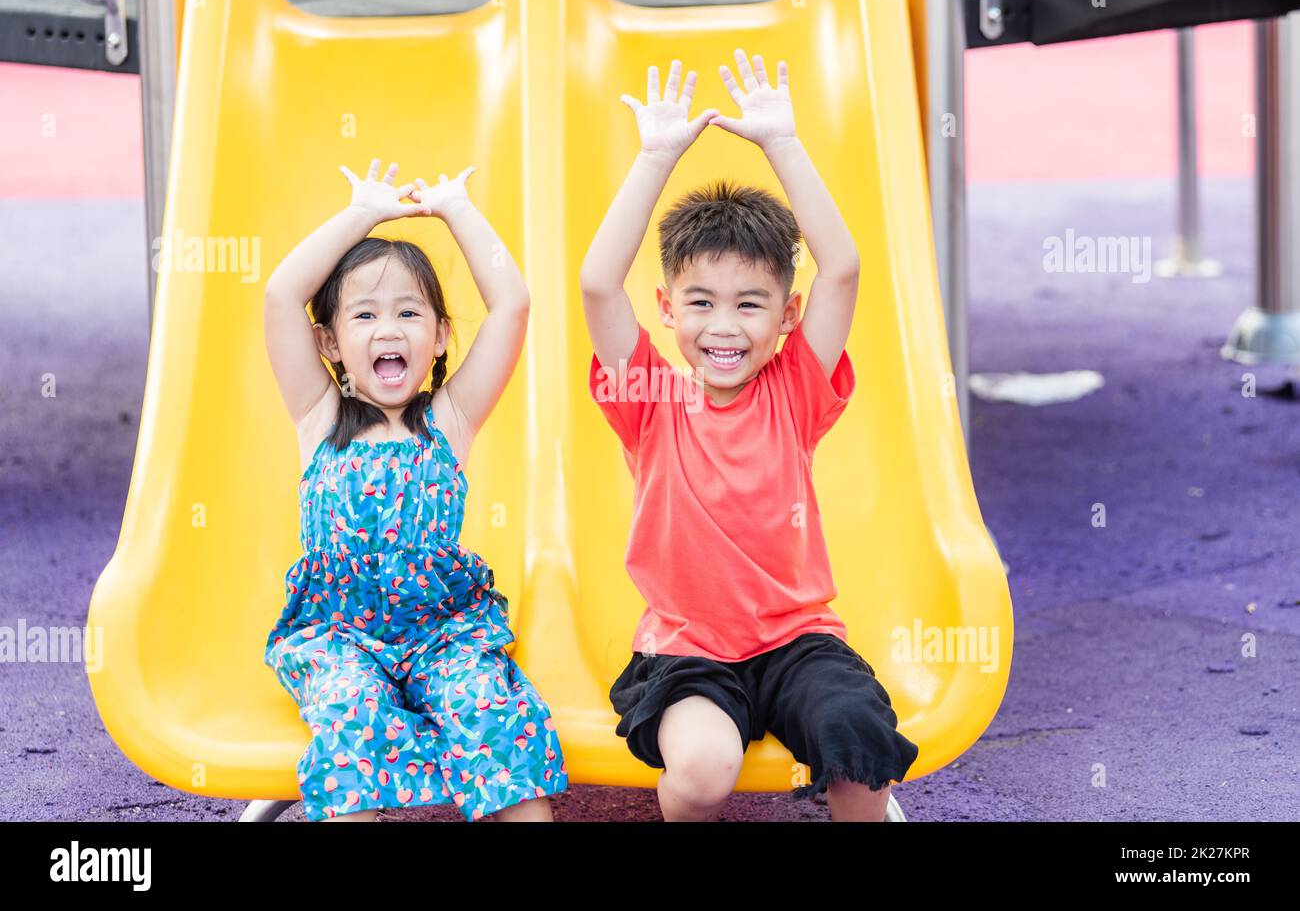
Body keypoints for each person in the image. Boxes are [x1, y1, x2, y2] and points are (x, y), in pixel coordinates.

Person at [582, 50, 919, 821]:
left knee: (856, 739)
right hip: (691, 651)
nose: (724, 327)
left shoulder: (795, 387)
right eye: (701, 302)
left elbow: (843, 266)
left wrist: (782, 143)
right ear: (667, 309)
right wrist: (655, 156)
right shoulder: (648, 395)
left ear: (786, 316)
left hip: (798, 641)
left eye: (749, 304)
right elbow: (599, 282)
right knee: (703, 771)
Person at [262, 158, 567, 821]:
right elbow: (281, 293)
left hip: (442, 632)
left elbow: (512, 302)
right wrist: (363, 214)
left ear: (440, 337)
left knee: (493, 714)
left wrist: (456, 206)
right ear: (330, 342)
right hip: (337, 635)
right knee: (351, 715)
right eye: (365, 315)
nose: (389, 329)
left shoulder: (450, 420)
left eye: (408, 312)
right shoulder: (318, 417)